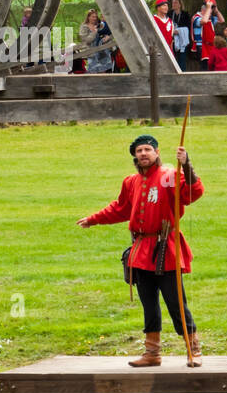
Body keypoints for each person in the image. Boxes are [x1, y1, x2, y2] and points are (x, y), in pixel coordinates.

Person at [78, 135, 205, 367]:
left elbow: (192, 194)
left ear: (157, 152)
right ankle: (152, 353)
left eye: (148, 149)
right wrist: (93, 219)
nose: (143, 153)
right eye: (139, 151)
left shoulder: (170, 176)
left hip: (166, 248)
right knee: (148, 303)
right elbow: (120, 208)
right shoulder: (130, 182)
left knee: (176, 302)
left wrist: (186, 164)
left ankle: (192, 350)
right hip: (141, 251)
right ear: (135, 156)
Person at [192, 0, 223, 70]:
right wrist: (209, 8)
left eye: (212, 8)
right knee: (205, 68)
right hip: (201, 47)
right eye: (210, 8)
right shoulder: (196, 17)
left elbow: (222, 21)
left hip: (210, 47)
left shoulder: (210, 17)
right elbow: (204, 21)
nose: (211, 10)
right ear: (203, 8)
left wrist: (217, 11)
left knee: (212, 68)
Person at [170, 0, 192, 71]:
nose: (173, 4)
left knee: (182, 59)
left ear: (180, 5)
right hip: (172, 39)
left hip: (182, 40)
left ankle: (182, 73)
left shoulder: (185, 14)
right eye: (173, 2)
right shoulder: (169, 14)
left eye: (175, 3)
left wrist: (179, 31)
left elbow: (188, 27)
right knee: (172, 58)